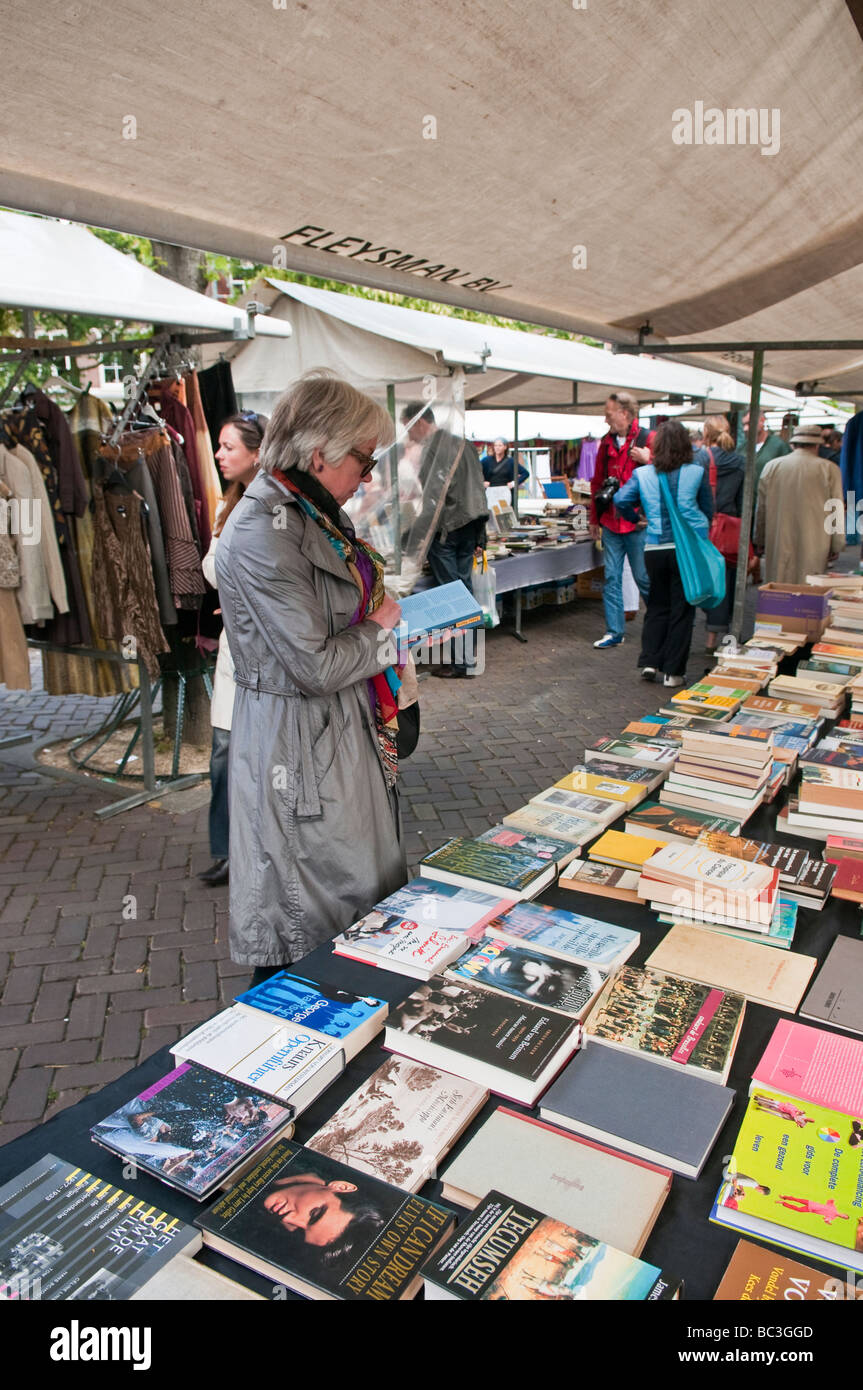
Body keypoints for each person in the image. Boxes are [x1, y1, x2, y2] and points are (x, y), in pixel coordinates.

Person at [215, 371, 407, 985]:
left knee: (350, 914)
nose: (368, 474)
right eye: (363, 458)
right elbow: (314, 664)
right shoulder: (262, 529)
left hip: (333, 735)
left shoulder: (311, 512)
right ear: (319, 453)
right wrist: (379, 631)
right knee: (302, 931)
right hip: (297, 750)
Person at [199, 412, 267, 887]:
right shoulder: (230, 501)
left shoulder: (272, 506)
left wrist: (237, 592)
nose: (219, 454)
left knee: (262, 754)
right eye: (219, 446)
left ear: (258, 451)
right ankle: (225, 850)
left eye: (228, 446)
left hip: (266, 651)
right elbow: (213, 566)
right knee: (223, 752)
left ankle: (260, 845)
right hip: (234, 648)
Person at [615, 419, 714, 687]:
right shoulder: (696, 471)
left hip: (654, 547)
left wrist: (634, 518)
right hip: (686, 550)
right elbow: (708, 510)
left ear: (656, 445)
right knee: (682, 610)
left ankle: (649, 662)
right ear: (685, 444)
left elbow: (621, 500)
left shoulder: (644, 474)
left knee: (657, 606)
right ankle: (673, 672)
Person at [400, 401, 488, 677]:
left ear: (419, 423)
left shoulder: (434, 449)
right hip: (470, 525)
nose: (408, 436)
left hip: (449, 529)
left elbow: (434, 502)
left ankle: (462, 662)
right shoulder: (463, 444)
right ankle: (468, 658)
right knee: (465, 593)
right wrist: (481, 534)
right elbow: (478, 489)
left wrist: (411, 540)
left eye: (408, 429)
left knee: (453, 597)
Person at [589, 392, 651, 649]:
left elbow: (671, 472)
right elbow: (596, 482)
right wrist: (595, 518)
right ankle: (614, 632)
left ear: (624, 413)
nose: (606, 419)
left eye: (608, 413)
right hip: (612, 523)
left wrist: (650, 461)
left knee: (643, 578)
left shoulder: (649, 439)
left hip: (638, 523)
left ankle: (659, 626)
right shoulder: (606, 443)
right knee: (612, 578)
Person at [754, 422, 845, 584]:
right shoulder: (829, 469)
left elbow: (761, 508)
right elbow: (836, 509)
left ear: (793, 444)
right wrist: (837, 544)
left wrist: (759, 539)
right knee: (809, 591)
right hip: (817, 543)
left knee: (778, 590)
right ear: (818, 445)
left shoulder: (771, 467)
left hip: (778, 541)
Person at [700, 415, 745, 652]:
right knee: (727, 579)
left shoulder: (700, 459)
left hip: (704, 528)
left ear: (706, 433)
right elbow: (746, 501)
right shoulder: (740, 462)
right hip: (730, 529)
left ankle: (709, 637)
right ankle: (718, 637)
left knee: (703, 579)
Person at [744, 410, 791, 498]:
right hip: (745, 502)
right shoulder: (742, 448)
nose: (745, 429)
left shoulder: (778, 446)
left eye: (749, 423)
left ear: (762, 421)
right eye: (744, 424)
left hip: (770, 500)